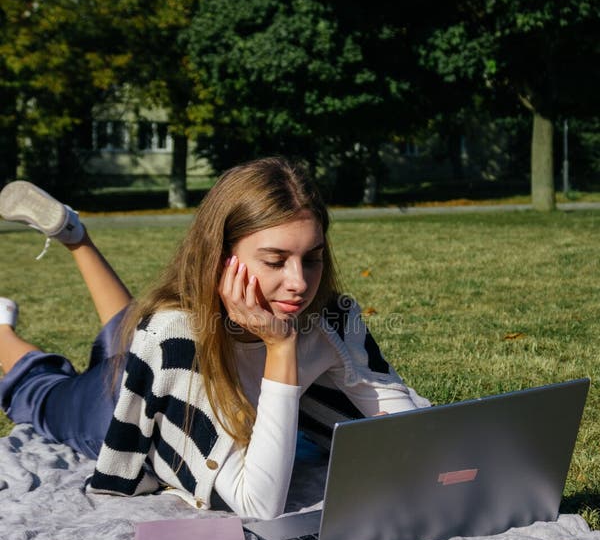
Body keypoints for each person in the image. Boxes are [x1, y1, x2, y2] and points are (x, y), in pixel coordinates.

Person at [0, 157, 429, 518]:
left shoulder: (330, 318)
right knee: (40, 388)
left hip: (154, 344)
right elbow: (259, 506)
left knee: (133, 328)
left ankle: (75, 235)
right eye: (275, 261)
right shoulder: (178, 340)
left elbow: (412, 431)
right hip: (118, 406)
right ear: (222, 260)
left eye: (312, 258)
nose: (299, 282)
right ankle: (2, 327)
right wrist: (281, 347)